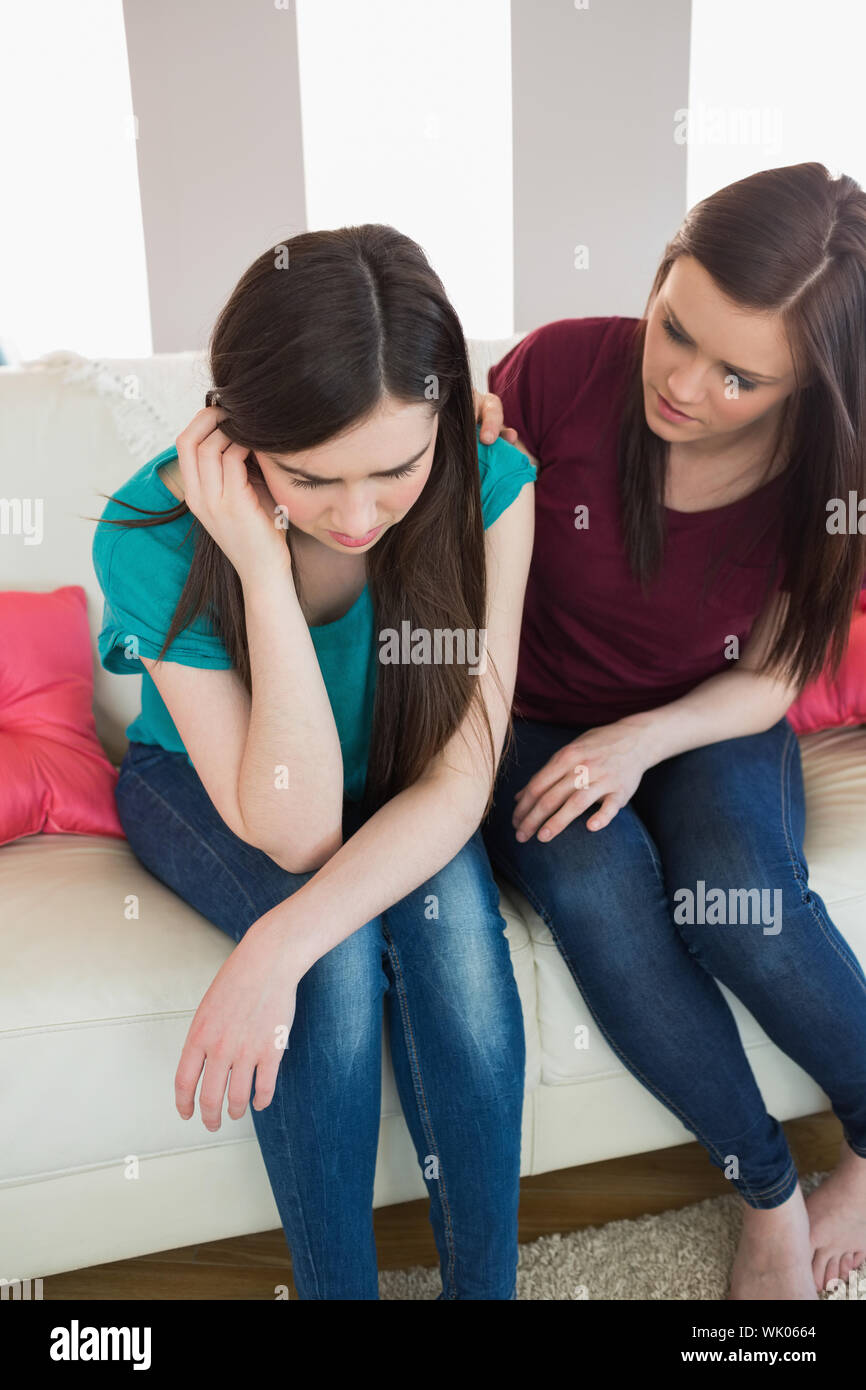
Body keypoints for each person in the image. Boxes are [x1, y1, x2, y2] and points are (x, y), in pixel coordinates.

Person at [90, 225, 536, 1300]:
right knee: (332, 969)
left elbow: (460, 779)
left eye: (396, 467)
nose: (356, 515)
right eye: (309, 478)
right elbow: (293, 829)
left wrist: (272, 941)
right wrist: (255, 557)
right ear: (235, 437)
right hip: (209, 786)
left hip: (398, 783)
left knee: (461, 955)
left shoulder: (492, 484)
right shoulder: (151, 529)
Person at [475, 162, 866, 1301]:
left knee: (741, 898)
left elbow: (784, 667)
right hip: (530, 712)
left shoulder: (829, 470)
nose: (684, 385)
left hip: (709, 710)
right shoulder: (553, 371)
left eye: (740, 376)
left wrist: (646, 737)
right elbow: (451, 577)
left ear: (809, 389)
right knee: (592, 884)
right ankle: (765, 1192)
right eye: (673, 329)